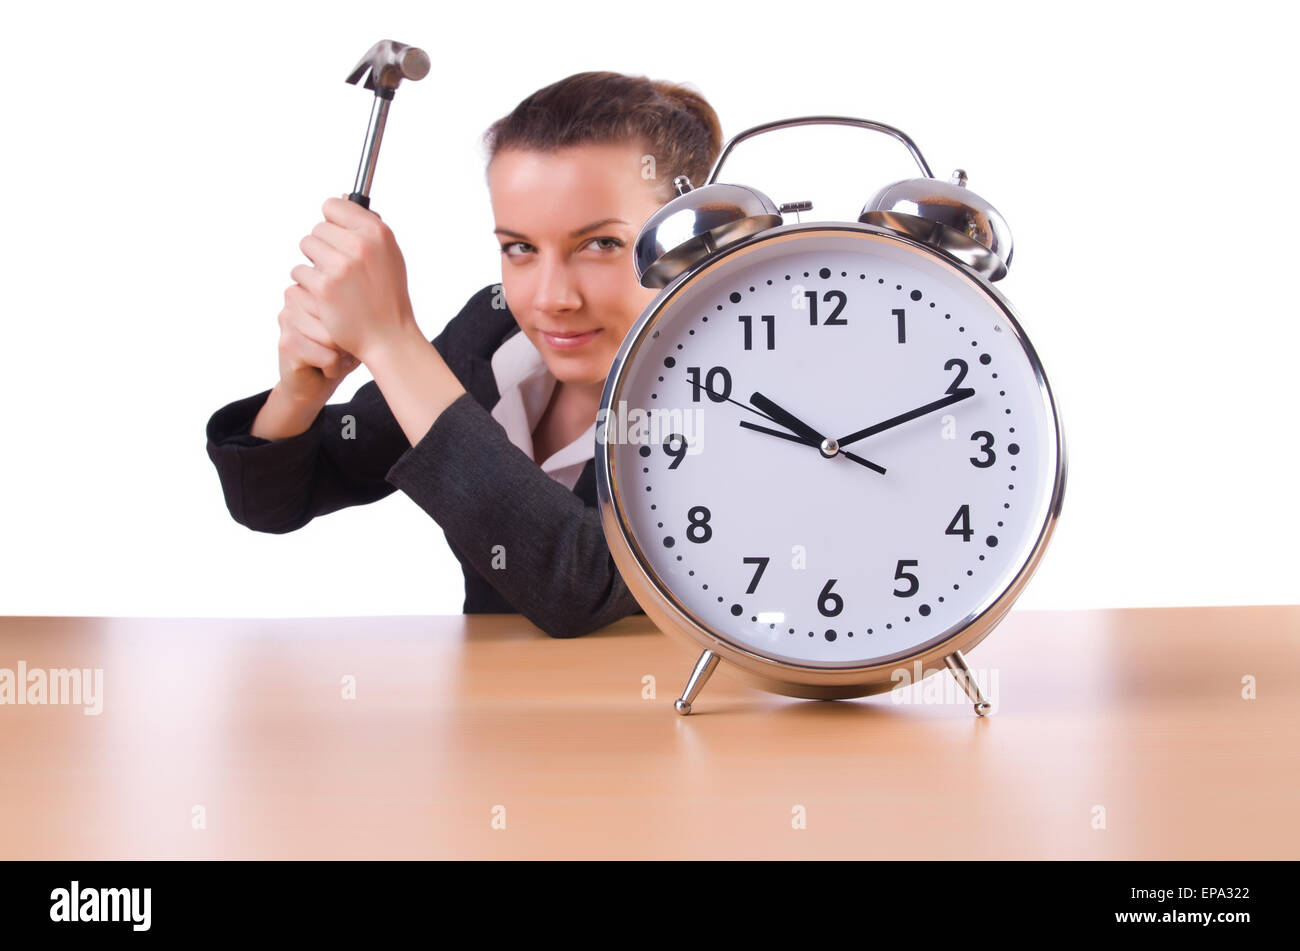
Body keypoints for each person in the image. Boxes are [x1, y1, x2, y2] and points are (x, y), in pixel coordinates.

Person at [204, 71, 724, 638]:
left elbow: (580, 581)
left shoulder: (738, 399)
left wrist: (392, 341)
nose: (552, 298)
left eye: (601, 244)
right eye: (519, 248)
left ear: (686, 241)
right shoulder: (491, 333)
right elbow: (276, 502)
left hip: (665, 721)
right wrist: (303, 387)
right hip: (485, 717)